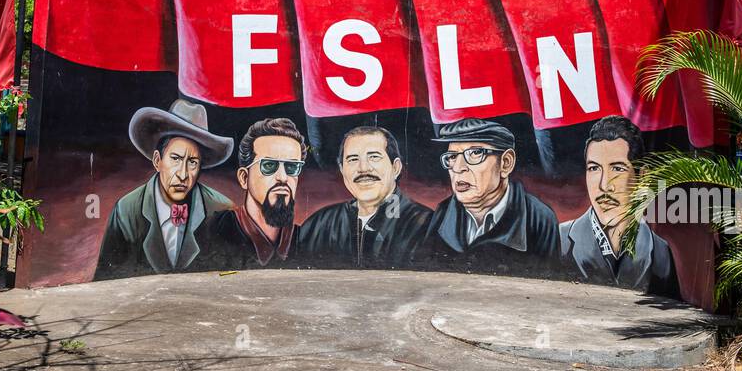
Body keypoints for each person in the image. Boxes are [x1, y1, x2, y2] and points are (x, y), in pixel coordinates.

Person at [94, 99, 234, 280]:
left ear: (200, 168)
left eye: (192, 162)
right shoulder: (127, 211)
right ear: (157, 161)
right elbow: (106, 282)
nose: (183, 174)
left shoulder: (221, 209)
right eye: (175, 159)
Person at [418, 118, 559, 276]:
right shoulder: (443, 213)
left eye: (475, 153)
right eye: (452, 157)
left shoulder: (538, 218)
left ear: (506, 163)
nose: (458, 168)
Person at [559, 115, 679, 297]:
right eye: (594, 168)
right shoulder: (559, 239)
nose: (604, 185)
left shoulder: (660, 251)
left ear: (643, 176)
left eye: (617, 168)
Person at [297, 126, 432, 268]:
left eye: (374, 157)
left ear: (395, 168)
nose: (363, 168)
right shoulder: (318, 225)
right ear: (342, 170)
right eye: (353, 159)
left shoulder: (426, 226)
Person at [202, 117, 306, 269]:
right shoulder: (211, 231)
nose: (283, 177)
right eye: (269, 165)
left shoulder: (307, 239)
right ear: (244, 178)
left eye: (292, 167)